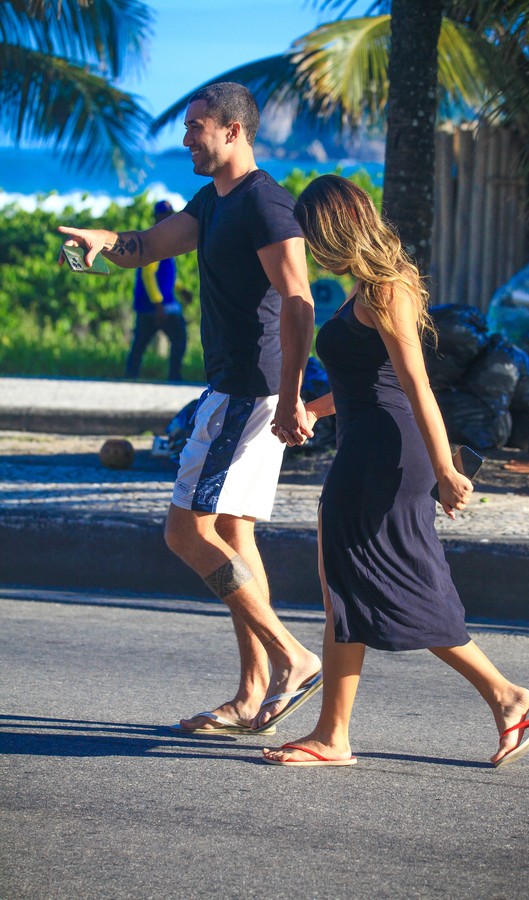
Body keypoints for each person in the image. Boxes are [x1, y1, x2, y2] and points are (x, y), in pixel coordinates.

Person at [58, 82, 323, 736]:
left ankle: (292, 657)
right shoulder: (214, 200)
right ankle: (252, 693)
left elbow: (299, 302)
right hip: (239, 390)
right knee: (232, 535)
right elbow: (149, 246)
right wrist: (103, 240)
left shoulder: (264, 202)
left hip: (246, 394)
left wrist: (291, 396)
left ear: (233, 131)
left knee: (184, 532)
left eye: (195, 127)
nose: (185, 139)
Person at [262, 175, 529, 767]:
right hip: (368, 448)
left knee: (389, 585)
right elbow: (369, 381)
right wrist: (313, 409)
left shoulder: (385, 288)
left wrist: (445, 469)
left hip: (384, 457)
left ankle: (504, 695)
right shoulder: (368, 287)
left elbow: (417, 385)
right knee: (349, 587)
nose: (310, 249)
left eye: (312, 236)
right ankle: (335, 734)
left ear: (334, 230)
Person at [125, 200, 190, 383]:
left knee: (141, 344)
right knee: (178, 340)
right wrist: (158, 303)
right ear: (157, 217)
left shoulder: (164, 238)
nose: (169, 219)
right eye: (166, 216)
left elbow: (164, 275)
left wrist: (180, 289)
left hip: (158, 303)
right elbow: (148, 274)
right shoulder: (157, 239)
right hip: (156, 305)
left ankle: (131, 377)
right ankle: (174, 378)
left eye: (171, 215)